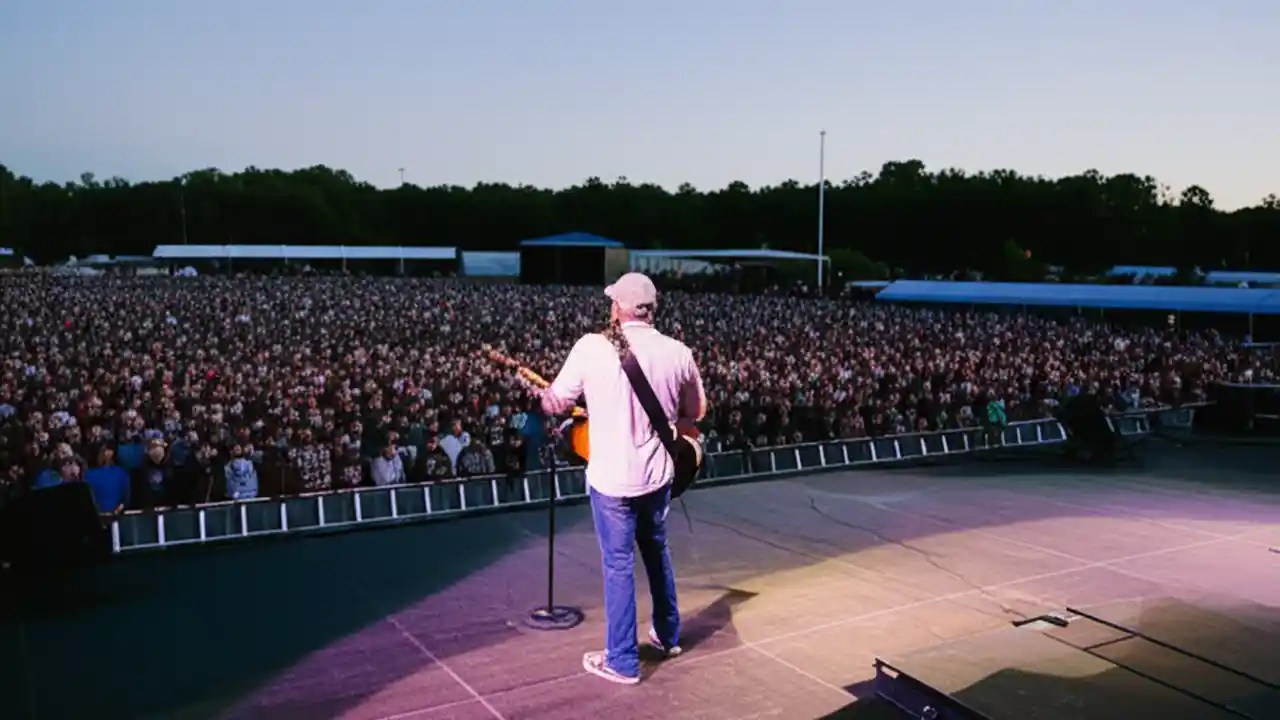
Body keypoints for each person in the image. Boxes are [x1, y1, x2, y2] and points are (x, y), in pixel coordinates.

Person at [540, 272, 707, 685]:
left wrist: (552, 400)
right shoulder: (678, 352)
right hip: (656, 476)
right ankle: (667, 635)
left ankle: (623, 660)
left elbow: (556, 401)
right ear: (651, 310)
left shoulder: (591, 347)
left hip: (612, 480)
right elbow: (696, 412)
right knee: (656, 550)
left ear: (618, 308)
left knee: (618, 566)